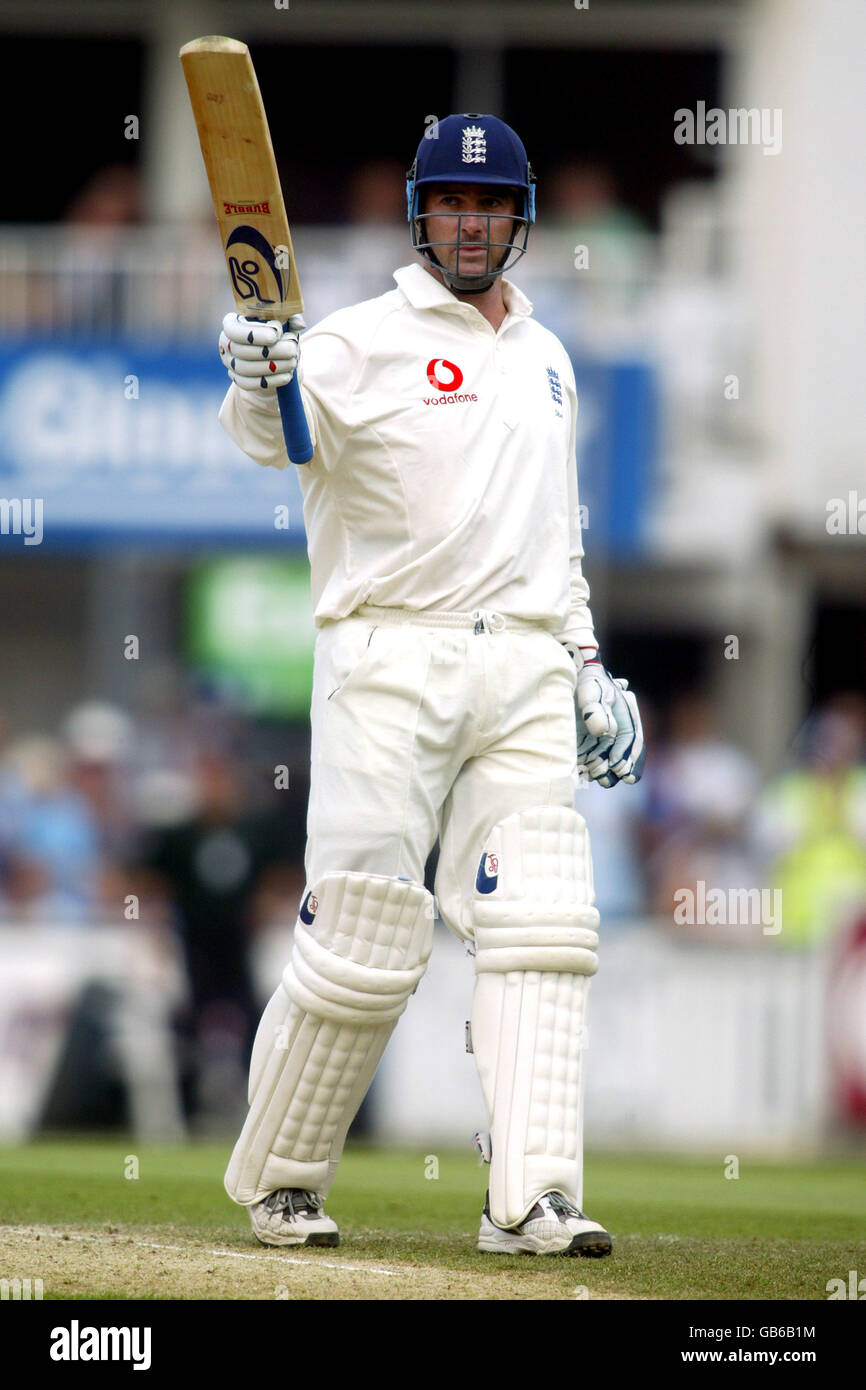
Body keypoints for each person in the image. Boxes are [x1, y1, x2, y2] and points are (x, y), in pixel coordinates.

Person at [217, 114, 644, 1256]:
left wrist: (587, 667)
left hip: (522, 661)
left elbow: (558, 542)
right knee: (364, 929)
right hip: (386, 654)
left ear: (518, 220)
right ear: (421, 215)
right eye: (450, 205)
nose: (468, 224)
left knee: (542, 920)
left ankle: (532, 1196)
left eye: (488, 206)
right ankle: (284, 1180)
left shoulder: (546, 359)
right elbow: (279, 438)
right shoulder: (359, 338)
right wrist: (262, 370)